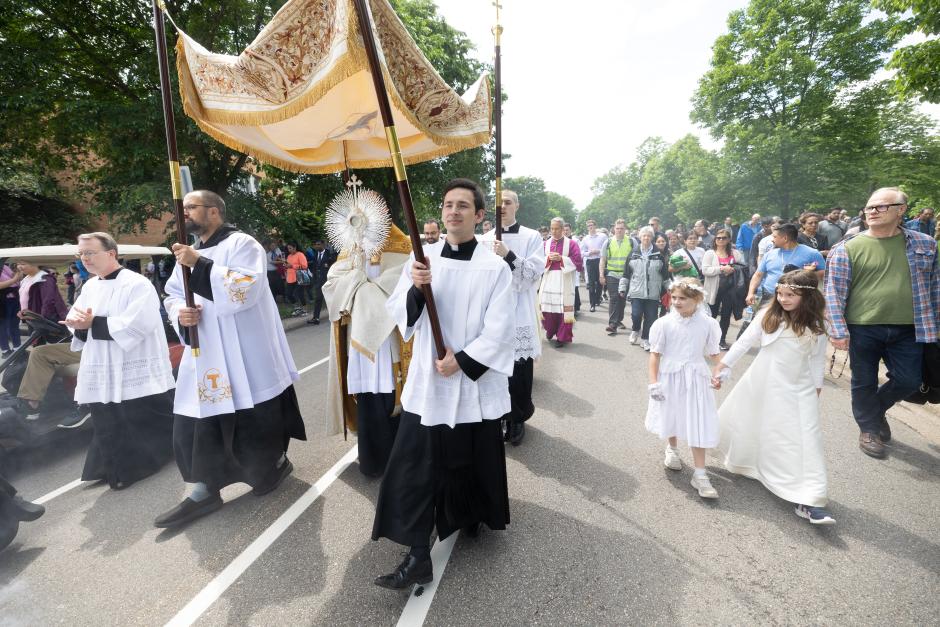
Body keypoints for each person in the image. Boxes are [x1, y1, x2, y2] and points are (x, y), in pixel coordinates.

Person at [372, 178, 514, 590]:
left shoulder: (494, 268)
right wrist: (417, 289)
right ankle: (417, 553)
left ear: (479, 215)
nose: (453, 211)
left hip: (470, 381)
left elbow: (502, 328)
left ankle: (467, 515)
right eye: (448, 204)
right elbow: (400, 312)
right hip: (430, 384)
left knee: (466, 459)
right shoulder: (422, 259)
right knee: (416, 466)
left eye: (463, 206)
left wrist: (464, 360)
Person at [155, 190, 306, 528]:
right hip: (205, 349)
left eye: (190, 208)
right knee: (199, 417)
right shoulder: (185, 254)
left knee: (252, 413)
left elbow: (246, 289)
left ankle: (270, 467)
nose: (184, 215)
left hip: (245, 349)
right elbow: (172, 295)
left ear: (213, 212)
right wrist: (182, 314)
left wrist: (199, 264)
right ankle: (202, 490)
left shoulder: (242, 244)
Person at [825, 187, 939, 459]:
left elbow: (936, 288)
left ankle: (873, 412)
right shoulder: (847, 248)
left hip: (911, 327)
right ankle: (869, 430)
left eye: (880, 207)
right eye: (869, 208)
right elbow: (834, 293)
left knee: (910, 379)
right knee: (863, 381)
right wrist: (838, 331)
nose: (872, 212)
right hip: (863, 328)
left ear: (901, 210)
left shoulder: (925, 244)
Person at [714, 270, 834, 525]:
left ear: (808, 296)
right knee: (753, 425)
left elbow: (816, 362)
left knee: (805, 440)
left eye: (790, 295)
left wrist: (816, 389)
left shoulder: (817, 326)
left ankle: (810, 499)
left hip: (799, 389)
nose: (783, 299)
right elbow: (743, 343)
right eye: (780, 293)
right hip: (762, 381)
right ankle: (750, 464)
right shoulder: (768, 316)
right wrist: (724, 365)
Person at [60, 232, 176, 490]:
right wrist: (78, 325)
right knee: (107, 415)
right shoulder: (90, 286)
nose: (84, 258)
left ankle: (139, 465)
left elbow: (139, 323)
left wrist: (93, 324)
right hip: (102, 360)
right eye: (81, 253)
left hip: (131, 359)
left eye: (89, 252)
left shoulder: (136, 283)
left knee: (137, 415)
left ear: (111, 253)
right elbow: (77, 317)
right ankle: (109, 466)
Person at [323, 223, 412, 477]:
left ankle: (401, 458)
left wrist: (364, 291)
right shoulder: (347, 254)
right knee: (368, 398)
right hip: (359, 339)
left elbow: (405, 284)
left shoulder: (404, 247)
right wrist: (357, 280)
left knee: (396, 394)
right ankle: (373, 459)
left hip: (391, 338)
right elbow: (331, 288)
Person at [646, 278, 723, 499]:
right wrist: (653, 382)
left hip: (697, 377)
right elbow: (655, 354)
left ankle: (700, 474)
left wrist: (720, 370)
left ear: (697, 299)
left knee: (699, 421)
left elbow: (714, 352)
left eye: (683, 298)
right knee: (672, 413)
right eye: (675, 297)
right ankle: (672, 448)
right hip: (670, 375)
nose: (677, 302)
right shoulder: (664, 323)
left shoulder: (708, 324)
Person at [481, 189, 545, 446]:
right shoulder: (484, 238)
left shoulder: (531, 236)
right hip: (493, 312)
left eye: (507, 202)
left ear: (517, 206)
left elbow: (532, 275)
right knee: (495, 368)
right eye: (498, 203)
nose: (502, 206)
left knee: (518, 371)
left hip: (519, 311)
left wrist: (508, 254)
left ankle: (517, 418)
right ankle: (497, 415)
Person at [13, 258, 78, 424]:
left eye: (23, 263)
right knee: (36, 353)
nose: (20, 267)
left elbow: (49, 303)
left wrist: (43, 318)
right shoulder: (27, 280)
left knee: (39, 352)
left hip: (97, 345)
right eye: (18, 264)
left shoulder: (45, 280)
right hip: (76, 336)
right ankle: (32, 401)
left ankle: (32, 403)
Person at [746, 223, 825, 309]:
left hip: (797, 299)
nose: (772, 240)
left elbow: (824, 272)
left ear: (785, 238)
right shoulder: (769, 254)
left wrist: (807, 273)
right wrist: (750, 293)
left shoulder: (812, 253)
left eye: (774, 237)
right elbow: (758, 275)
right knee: (765, 322)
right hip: (769, 296)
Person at [620, 226, 669, 351]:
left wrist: (671, 289)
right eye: (644, 235)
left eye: (648, 235)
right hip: (636, 291)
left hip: (653, 292)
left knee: (651, 317)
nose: (646, 238)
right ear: (640, 237)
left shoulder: (658, 254)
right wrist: (622, 288)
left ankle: (646, 339)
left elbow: (665, 276)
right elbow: (626, 273)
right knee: (636, 315)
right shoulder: (633, 253)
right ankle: (636, 329)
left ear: (652, 238)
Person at [539, 217, 583, 347]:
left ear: (563, 229)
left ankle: (562, 337)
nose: (554, 231)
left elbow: (578, 263)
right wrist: (547, 259)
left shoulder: (572, 244)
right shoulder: (545, 243)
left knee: (563, 310)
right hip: (548, 279)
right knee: (547, 308)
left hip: (564, 280)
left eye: (557, 228)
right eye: (552, 228)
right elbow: (538, 260)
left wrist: (562, 259)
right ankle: (550, 330)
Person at [702, 228, 746, 350]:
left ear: (728, 240)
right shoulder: (710, 253)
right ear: (715, 239)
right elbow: (705, 270)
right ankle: (708, 338)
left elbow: (743, 268)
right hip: (714, 289)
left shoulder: (735, 253)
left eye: (724, 238)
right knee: (712, 314)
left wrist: (733, 269)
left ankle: (721, 340)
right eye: (718, 238)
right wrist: (721, 269)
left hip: (731, 289)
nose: (721, 240)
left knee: (726, 315)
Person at [601, 219, 632, 335]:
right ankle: (612, 324)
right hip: (612, 274)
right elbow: (603, 259)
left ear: (625, 230)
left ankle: (619, 320)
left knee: (622, 298)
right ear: (614, 229)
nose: (619, 230)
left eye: (621, 228)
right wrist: (601, 275)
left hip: (626, 275)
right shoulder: (608, 242)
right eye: (617, 228)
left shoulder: (631, 242)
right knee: (614, 298)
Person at [580, 219, 608, 313]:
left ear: (595, 226)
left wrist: (598, 251)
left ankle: (597, 298)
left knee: (599, 282)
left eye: (592, 225)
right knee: (591, 284)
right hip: (590, 261)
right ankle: (592, 304)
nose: (590, 227)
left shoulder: (602, 236)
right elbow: (582, 252)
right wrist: (589, 253)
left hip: (600, 261)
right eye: (588, 226)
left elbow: (607, 248)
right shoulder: (585, 238)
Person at [305, 239, 334, 325]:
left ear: (323, 245)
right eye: (316, 244)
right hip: (318, 280)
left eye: (319, 244)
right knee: (318, 298)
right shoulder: (315, 254)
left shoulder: (329, 254)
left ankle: (336, 315)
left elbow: (333, 266)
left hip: (328, 280)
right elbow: (314, 266)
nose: (317, 246)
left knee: (330, 298)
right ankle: (316, 318)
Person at [0, 264, 22, 357]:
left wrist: (19, 271)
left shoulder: (4, 266)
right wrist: (14, 279)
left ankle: (17, 348)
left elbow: (18, 278)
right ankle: (5, 350)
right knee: (2, 326)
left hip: (14, 298)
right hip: (2, 300)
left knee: (14, 324)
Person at [283, 243, 308, 317]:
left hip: (299, 277)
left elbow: (305, 266)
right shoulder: (289, 256)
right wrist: (286, 266)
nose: (289, 250)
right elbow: (288, 266)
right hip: (290, 278)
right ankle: (297, 308)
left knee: (300, 293)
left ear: (295, 247)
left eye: (290, 248)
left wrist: (292, 266)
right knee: (288, 294)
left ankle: (305, 309)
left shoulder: (300, 254)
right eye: (288, 249)